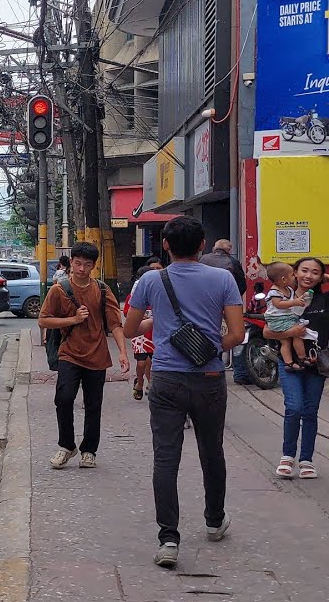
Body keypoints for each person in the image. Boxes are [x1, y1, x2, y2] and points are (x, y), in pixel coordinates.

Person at [124, 216, 244, 569]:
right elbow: (236, 335)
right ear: (202, 245)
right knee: (212, 452)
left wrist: (160, 325)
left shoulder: (150, 279)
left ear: (165, 245)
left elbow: (131, 328)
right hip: (208, 377)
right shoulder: (222, 278)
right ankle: (214, 521)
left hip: (165, 379)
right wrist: (206, 348)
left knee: (165, 459)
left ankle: (168, 540)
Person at [38, 242, 128, 470]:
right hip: (69, 353)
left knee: (93, 404)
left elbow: (115, 323)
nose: (81, 269)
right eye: (78, 263)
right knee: (64, 398)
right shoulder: (59, 290)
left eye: (87, 265)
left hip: (97, 355)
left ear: (93, 266)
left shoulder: (103, 290)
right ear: (71, 263)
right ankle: (67, 445)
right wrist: (73, 320)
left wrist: (123, 353)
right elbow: (44, 320)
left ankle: (89, 450)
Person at [263, 257, 326, 481]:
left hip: (316, 363)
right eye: (304, 270)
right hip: (289, 362)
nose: (309, 276)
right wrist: (290, 334)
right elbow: (267, 332)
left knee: (310, 411)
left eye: (315, 272)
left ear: (321, 276)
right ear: (294, 273)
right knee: (294, 407)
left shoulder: (323, 300)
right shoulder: (283, 296)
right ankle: (287, 457)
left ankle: (306, 459)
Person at [263, 262, 312, 371]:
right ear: (284, 279)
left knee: (287, 340)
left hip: (287, 317)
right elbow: (278, 304)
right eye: (292, 275)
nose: (294, 276)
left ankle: (290, 363)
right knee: (294, 336)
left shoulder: (289, 290)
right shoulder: (274, 292)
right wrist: (295, 302)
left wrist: (302, 298)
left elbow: (294, 299)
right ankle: (301, 358)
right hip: (277, 320)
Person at [124, 265, 156, 401]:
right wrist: (139, 317)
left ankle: (151, 385)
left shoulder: (158, 293)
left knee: (151, 362)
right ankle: (140, 383)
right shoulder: (134, 294)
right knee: (142, 362)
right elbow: (126, 312)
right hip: (140, 335)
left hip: (154, 333)